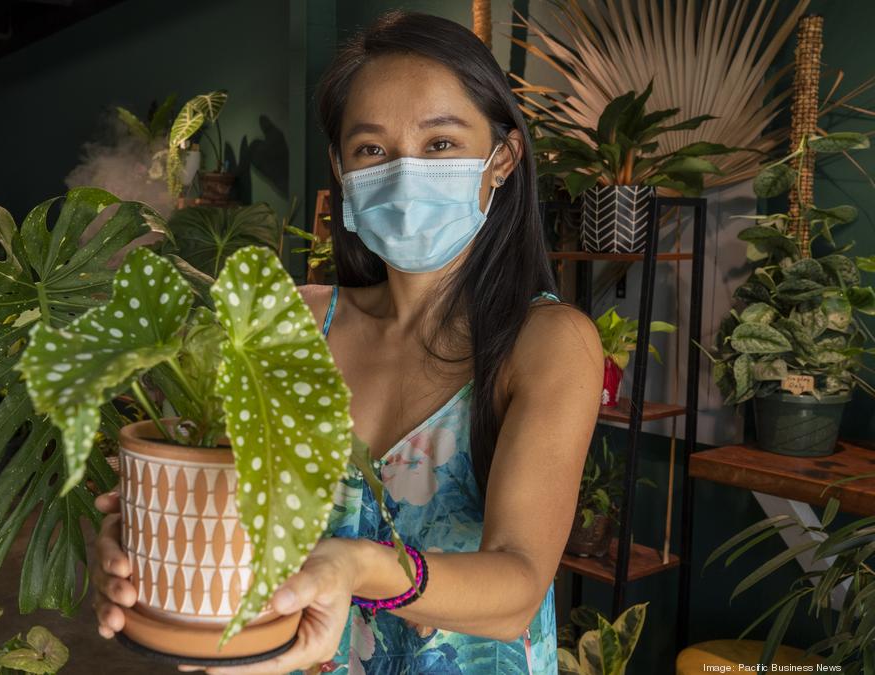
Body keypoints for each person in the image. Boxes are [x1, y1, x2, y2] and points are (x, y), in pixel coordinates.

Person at [92, 10, 602, 675]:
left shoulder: (546, 342)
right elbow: (215, 491)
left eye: (441, 144)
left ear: (501, 159)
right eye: (372, 149)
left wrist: (357, 565)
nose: (405, 172)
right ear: (343, 171)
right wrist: (146, 534)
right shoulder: (296, 324)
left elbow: (517, 585)